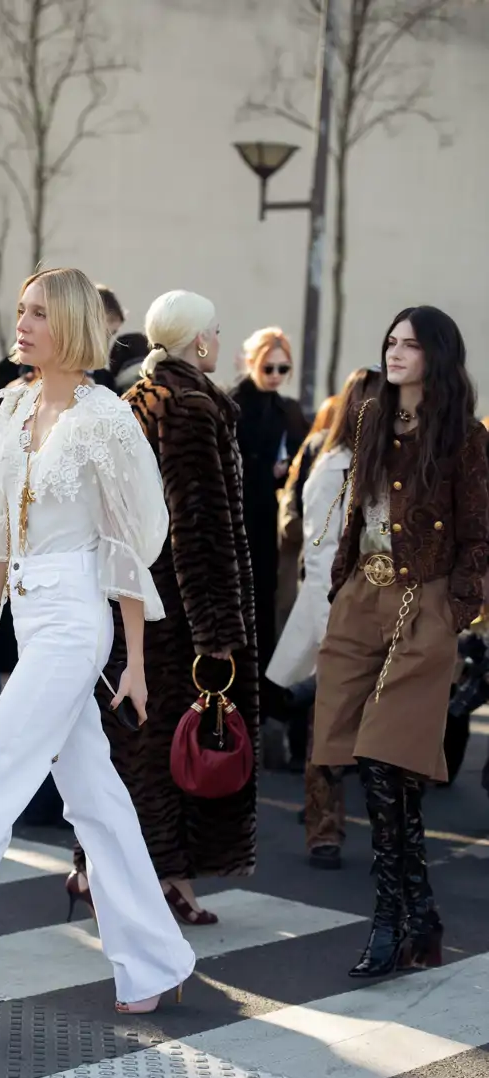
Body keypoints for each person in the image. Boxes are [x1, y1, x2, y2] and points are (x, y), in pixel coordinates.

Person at [0, 268, 195, 1033]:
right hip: (29, 610)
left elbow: (128, 547)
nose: (22, 324)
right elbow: (1, 535)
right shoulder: (13, 404)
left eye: (39, 313)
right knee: (97, 802)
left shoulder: (106, 420)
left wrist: (137, 663)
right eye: (20, 310)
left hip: (78, 622)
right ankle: (156, 961)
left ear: (75, 326)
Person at [70, 290, 258, 923]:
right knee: (165, 756)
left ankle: (113, 872)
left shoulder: (135, 401)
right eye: (216, 332)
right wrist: (218, 634)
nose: (220, 342)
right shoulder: (190, 408)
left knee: (135, 751)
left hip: (129, 603)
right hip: (177, 616)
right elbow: (198, 530)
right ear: (198, 341)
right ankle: (152, 883)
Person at [313, 306, 489, 977]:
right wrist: (341, 583)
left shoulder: (465, 438)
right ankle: (426, 920)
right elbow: (357, 513)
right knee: (363, 761)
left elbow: (479, 534)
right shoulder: (370, 419)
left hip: (427, 601)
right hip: (364, 593)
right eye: (390, 341)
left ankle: (389, 923)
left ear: (436, 357)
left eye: (410, 345)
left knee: (387, 762)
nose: (395, 353)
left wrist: (460, 607)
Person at [268, 366, 381, 869]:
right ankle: (323, 830)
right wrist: (327, 629)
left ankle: (389, 834)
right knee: (328, 733)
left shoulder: (398, 467)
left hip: (388, 621)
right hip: (340, 619)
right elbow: (318, 558)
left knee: (383, 736)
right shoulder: (334, 467)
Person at [231, 328, 307, 723]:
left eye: (283, 367)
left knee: (263, 610)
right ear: (251, 361)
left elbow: (302, 463)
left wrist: (285, 471)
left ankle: (257, 704)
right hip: (233, 522)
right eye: (268, 366)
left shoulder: (289, 411)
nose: (276, 374)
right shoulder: (231, 403)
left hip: (268, 527)